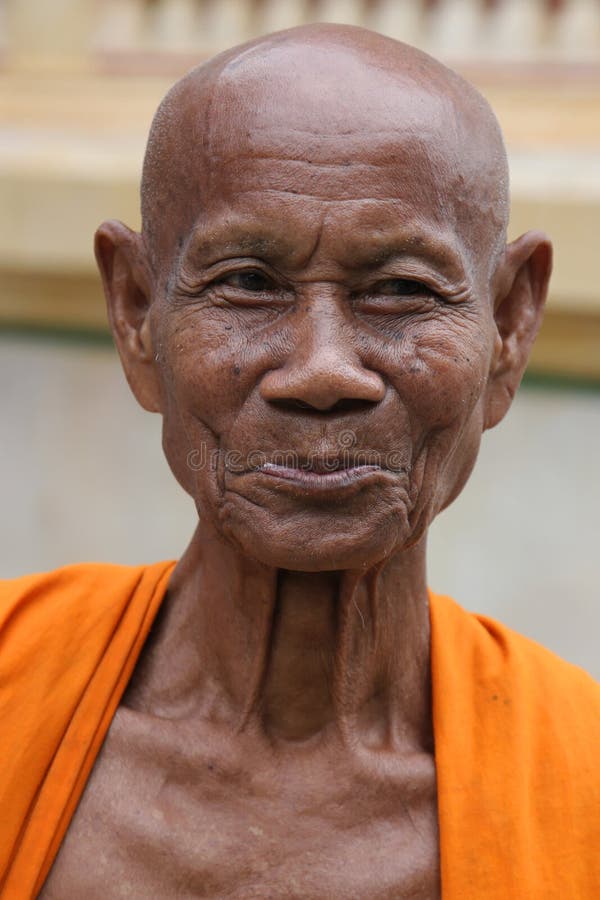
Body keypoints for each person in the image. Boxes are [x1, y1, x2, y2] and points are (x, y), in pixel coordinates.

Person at [1, 23, 598, 900]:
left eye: (400, 290)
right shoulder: (19, 691)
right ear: (136, 312)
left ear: (508, 329)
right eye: (248, 281)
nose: (324, 370)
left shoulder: (577, 792)